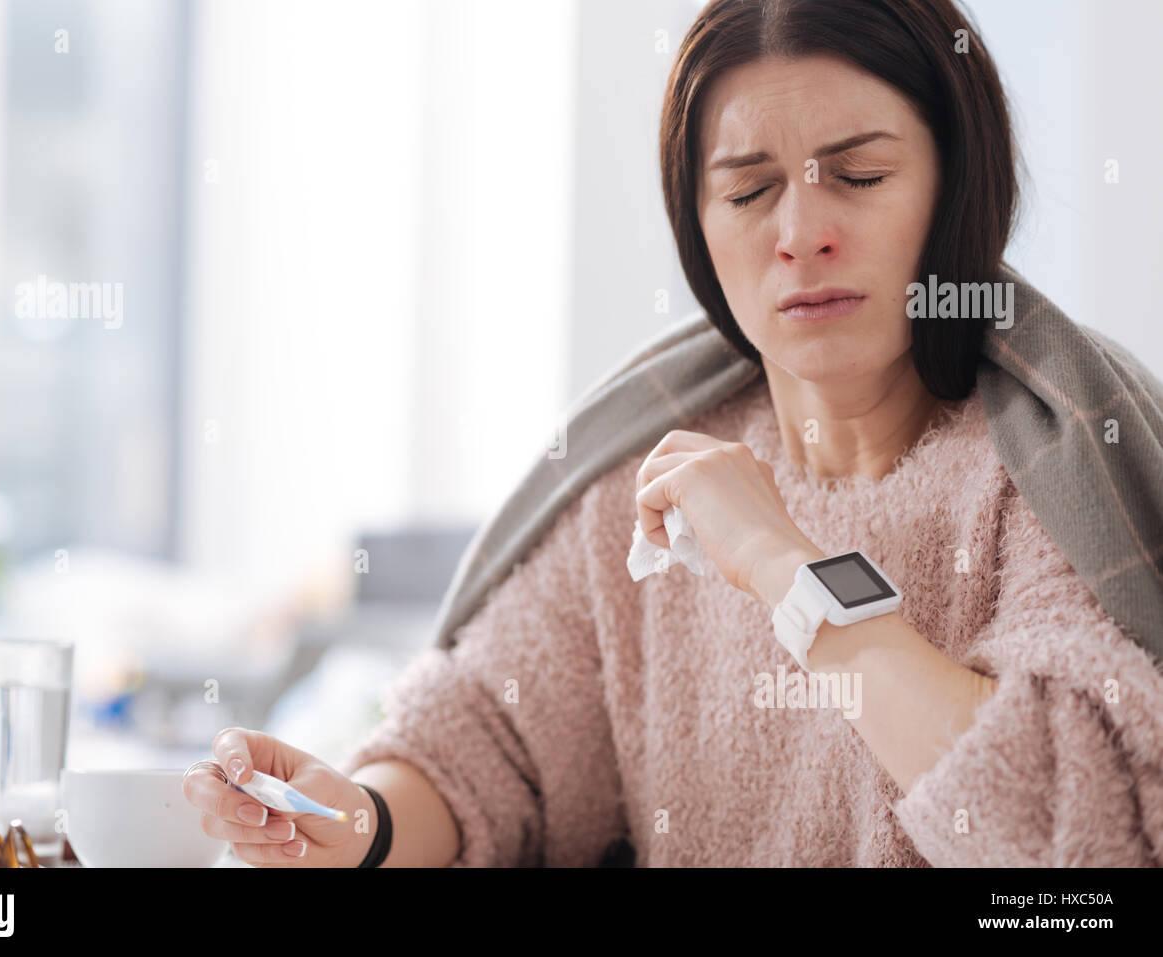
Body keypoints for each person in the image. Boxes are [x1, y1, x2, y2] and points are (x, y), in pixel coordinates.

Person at [183, 0, 1163, 867]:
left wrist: (785, 566)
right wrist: (349, 823)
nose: (800, 232)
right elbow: (482, 751)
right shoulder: (646, 483)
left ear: (953, 189)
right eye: (746, 192)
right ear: (699, 229)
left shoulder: (1046, 474)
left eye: (858, 177)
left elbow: (1075, 835)